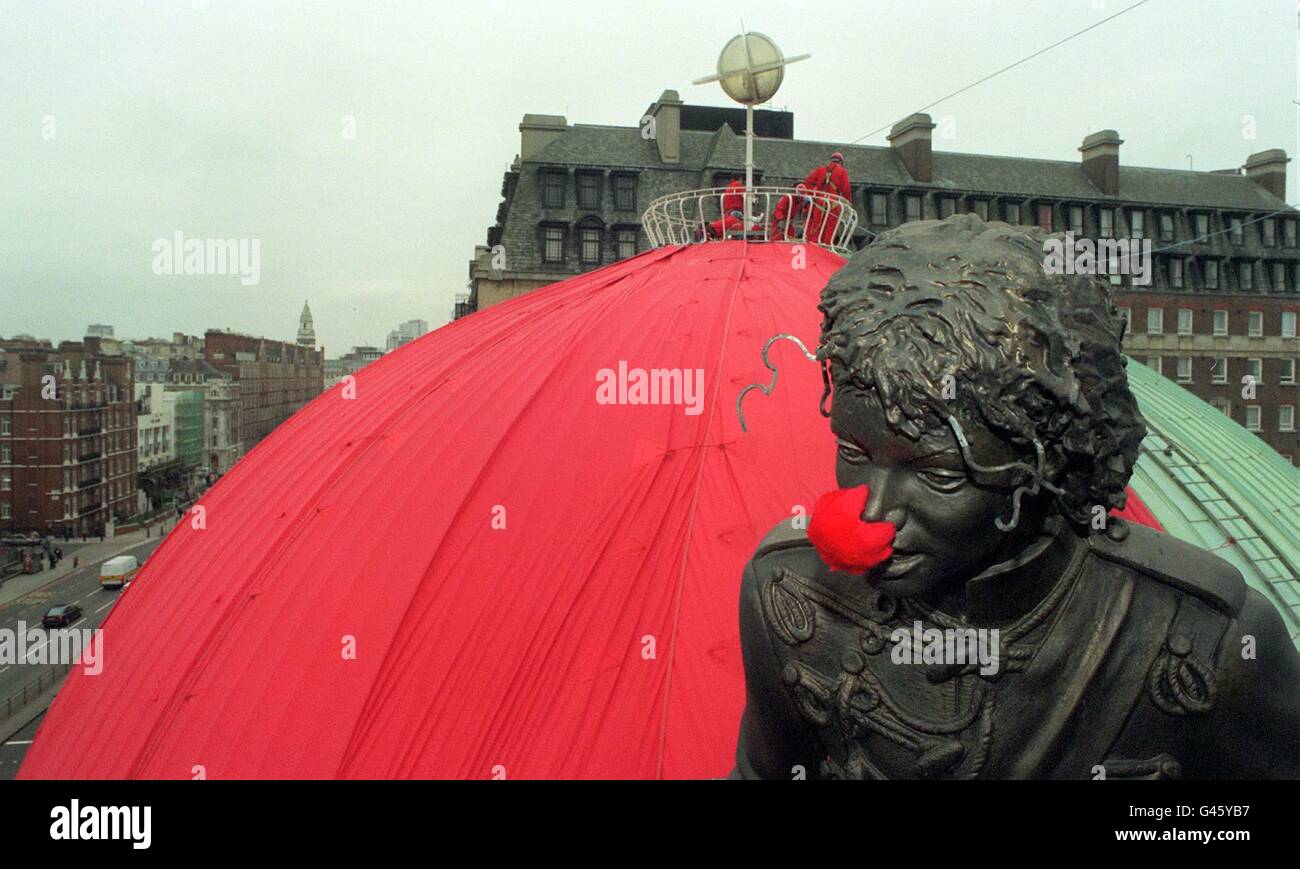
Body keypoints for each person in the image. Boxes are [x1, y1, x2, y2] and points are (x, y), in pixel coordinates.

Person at [731, 214, 1300, 779]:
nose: (873, 514)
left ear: (1046, 460)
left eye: (939, 476)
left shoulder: (1213, 639)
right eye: (855, 453)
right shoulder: (789, 594)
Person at [802, 151, 852, 245]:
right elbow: (846, 189)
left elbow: (808, 181)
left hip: (820, 200)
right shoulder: (842, 171)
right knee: (831, 225)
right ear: (841, 162)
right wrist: (848, 201)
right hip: (833, 202)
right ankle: (827, 244)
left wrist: (813, 194)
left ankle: (813, 243)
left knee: (817, 223)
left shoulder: (821, 170)